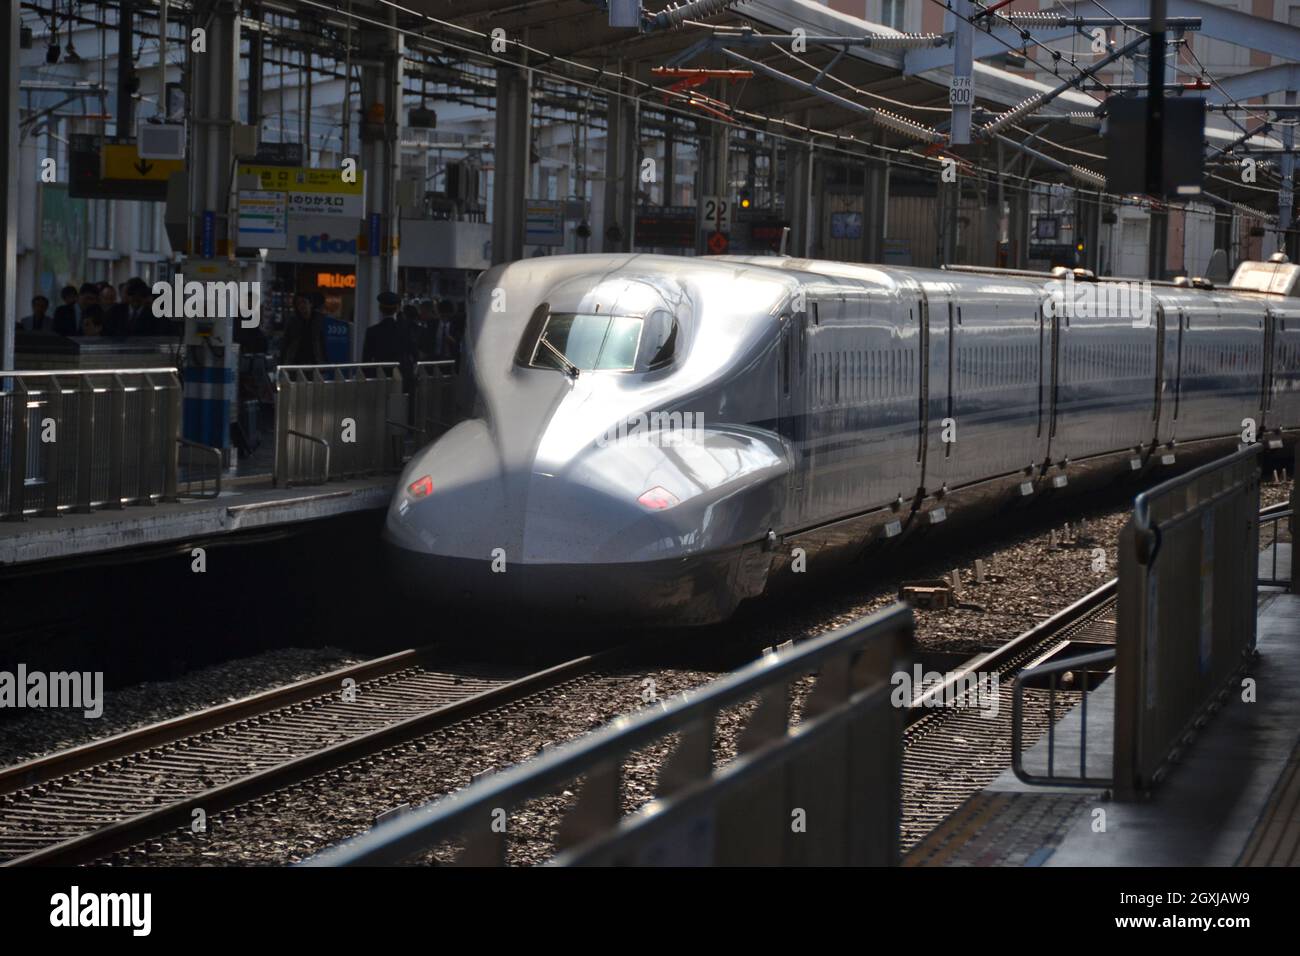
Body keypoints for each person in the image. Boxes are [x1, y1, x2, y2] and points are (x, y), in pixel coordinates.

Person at [362, 291, 419, 372]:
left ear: (380, 308)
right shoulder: (405, 330)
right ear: (396, 309)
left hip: (380, 374)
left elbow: (366, 359)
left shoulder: (372, 331)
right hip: (401, 374)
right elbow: (414, 353)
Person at [281, 293, 327, 364]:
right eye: (298, 303)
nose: (301, 305)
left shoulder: (320, 320)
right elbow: (285, 343)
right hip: (296, 361)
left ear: (311, 304)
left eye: (304, 302)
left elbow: (324, 342)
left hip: (315, 361)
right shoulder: (292, 321)